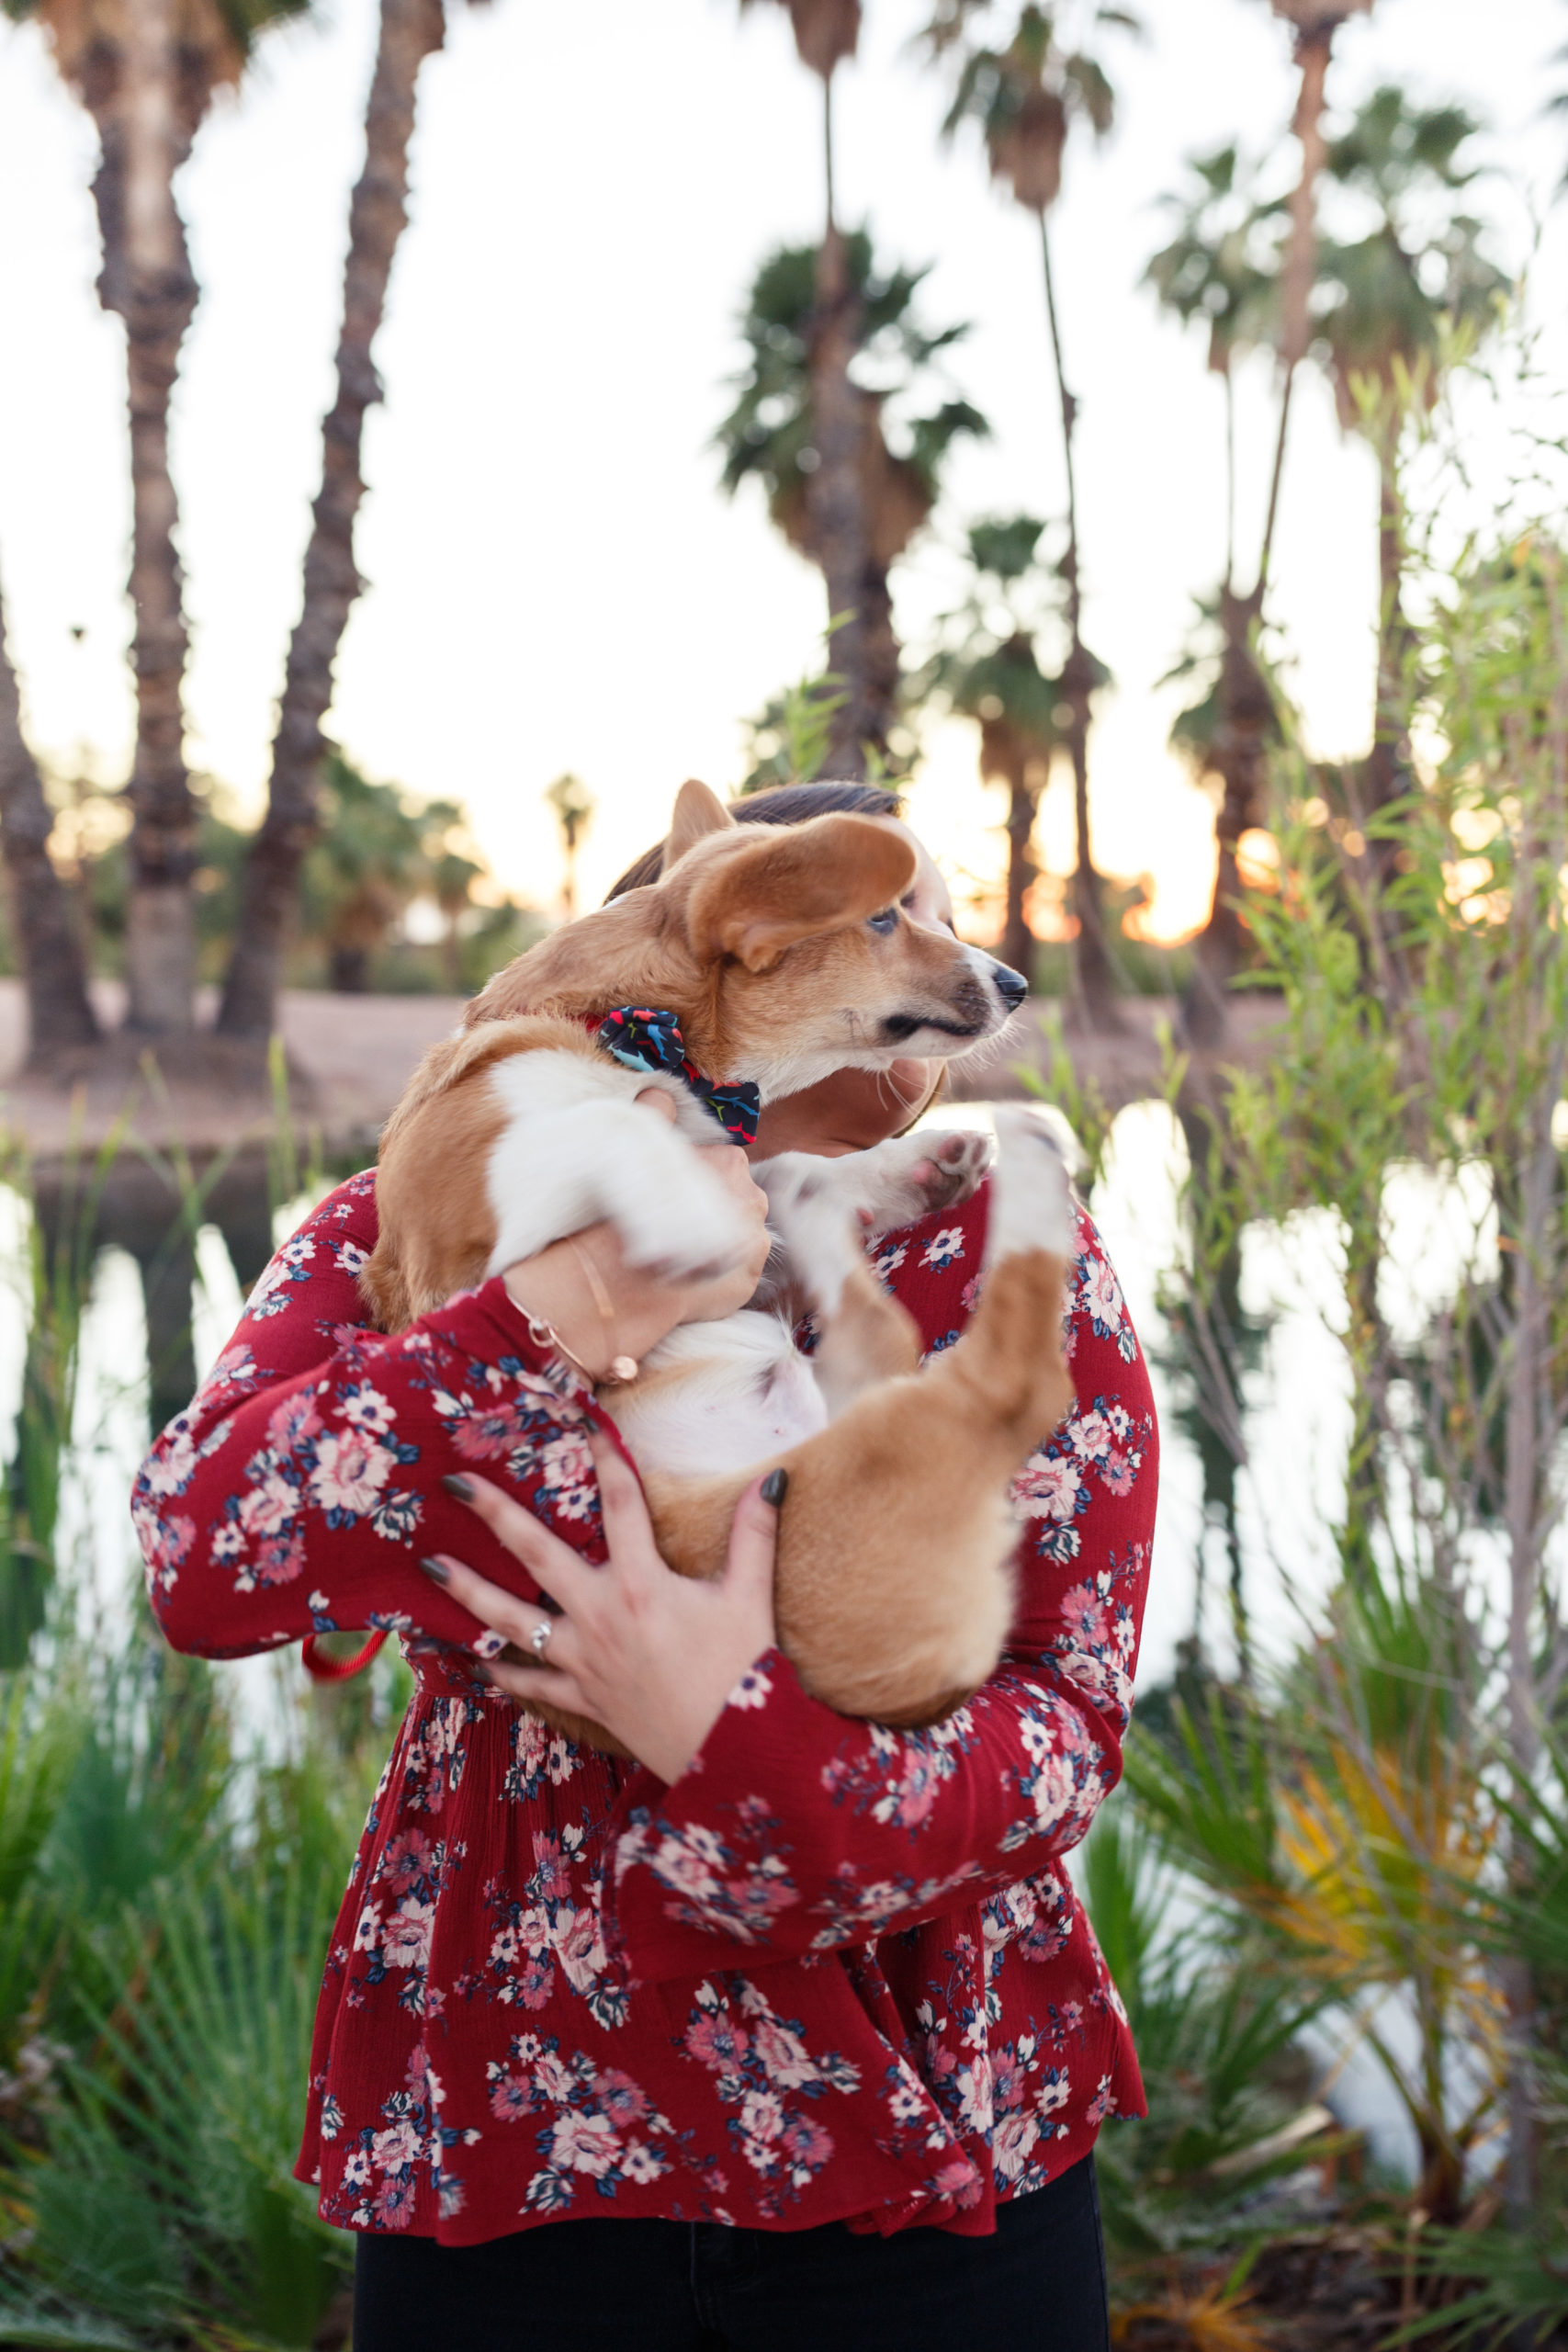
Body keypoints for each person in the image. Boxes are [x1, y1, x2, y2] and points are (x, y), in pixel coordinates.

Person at [132, 781, 1158, 2352]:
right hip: (516, 2135)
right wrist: (552, 1308)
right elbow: (205, 1560)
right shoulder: (410, 1208)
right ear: (716, 971)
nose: (952, 984)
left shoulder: (997, 1238)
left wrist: (725, 1728)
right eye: (895, 936)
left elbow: (1061, 1728)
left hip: (923, 2148)